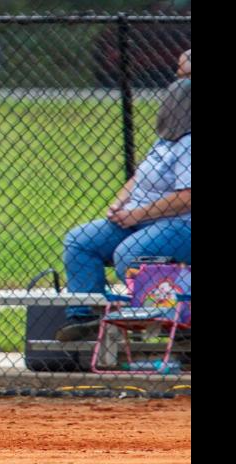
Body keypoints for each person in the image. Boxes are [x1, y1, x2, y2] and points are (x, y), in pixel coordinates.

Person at [55, 77, 191, 341]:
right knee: (81, 241)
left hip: (181, 225)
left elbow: (187, 197)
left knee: (130, 254)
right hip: (141, 219)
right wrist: (119, 203)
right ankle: (88, 320)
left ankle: (142, 319)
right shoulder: (166, 140)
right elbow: (138, 177)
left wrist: (137, 214)